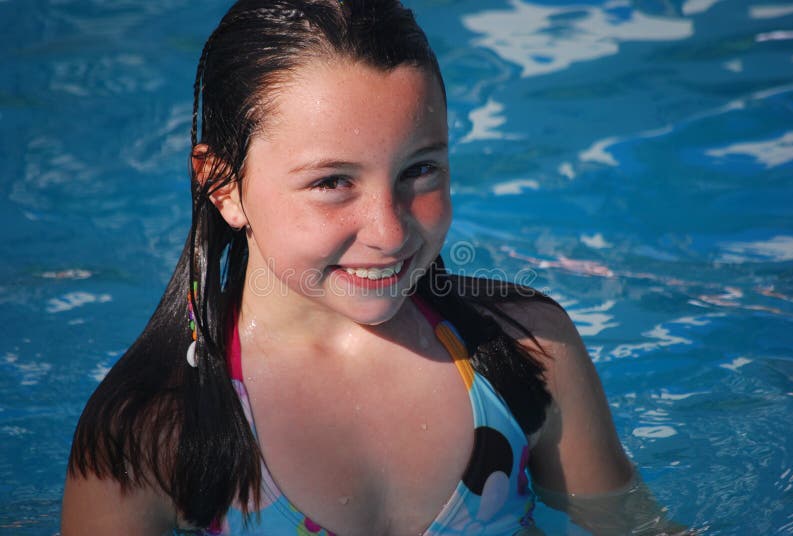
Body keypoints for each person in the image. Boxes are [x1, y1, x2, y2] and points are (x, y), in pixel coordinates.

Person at [61, 1, 641, 534]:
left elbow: (633, 527)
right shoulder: (152, 433)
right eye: (332, 182)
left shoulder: (529, 351)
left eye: (419, 170)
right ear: (223, 186)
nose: (390, 232)